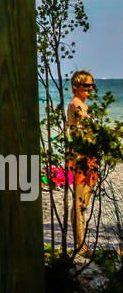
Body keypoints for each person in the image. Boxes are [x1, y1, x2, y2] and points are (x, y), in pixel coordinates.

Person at [66, 69, 97, 251]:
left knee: (84, 201)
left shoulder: (83, 105)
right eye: (86, 85)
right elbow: (79, 133)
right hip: (81, 156)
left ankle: (81, 242)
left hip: (89, 156)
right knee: (79, 201)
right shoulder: (76, 105)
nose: (90, 89)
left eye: (92, 85)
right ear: (76, 86)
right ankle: (80, 244)